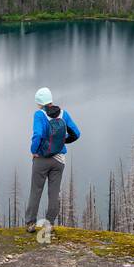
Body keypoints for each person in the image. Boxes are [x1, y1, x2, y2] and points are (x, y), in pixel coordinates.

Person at [25, 86, 80, 232]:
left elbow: (37, 135)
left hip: (41, 159)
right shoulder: (64, 114)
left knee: (36, 191)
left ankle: (31, 223)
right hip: (59, 160)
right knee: (54, 193)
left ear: (39, 103)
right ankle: (49, 224)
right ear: (50, 100)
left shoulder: (39, 115)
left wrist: (33, 151)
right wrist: (63, 141)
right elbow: (77, 133)